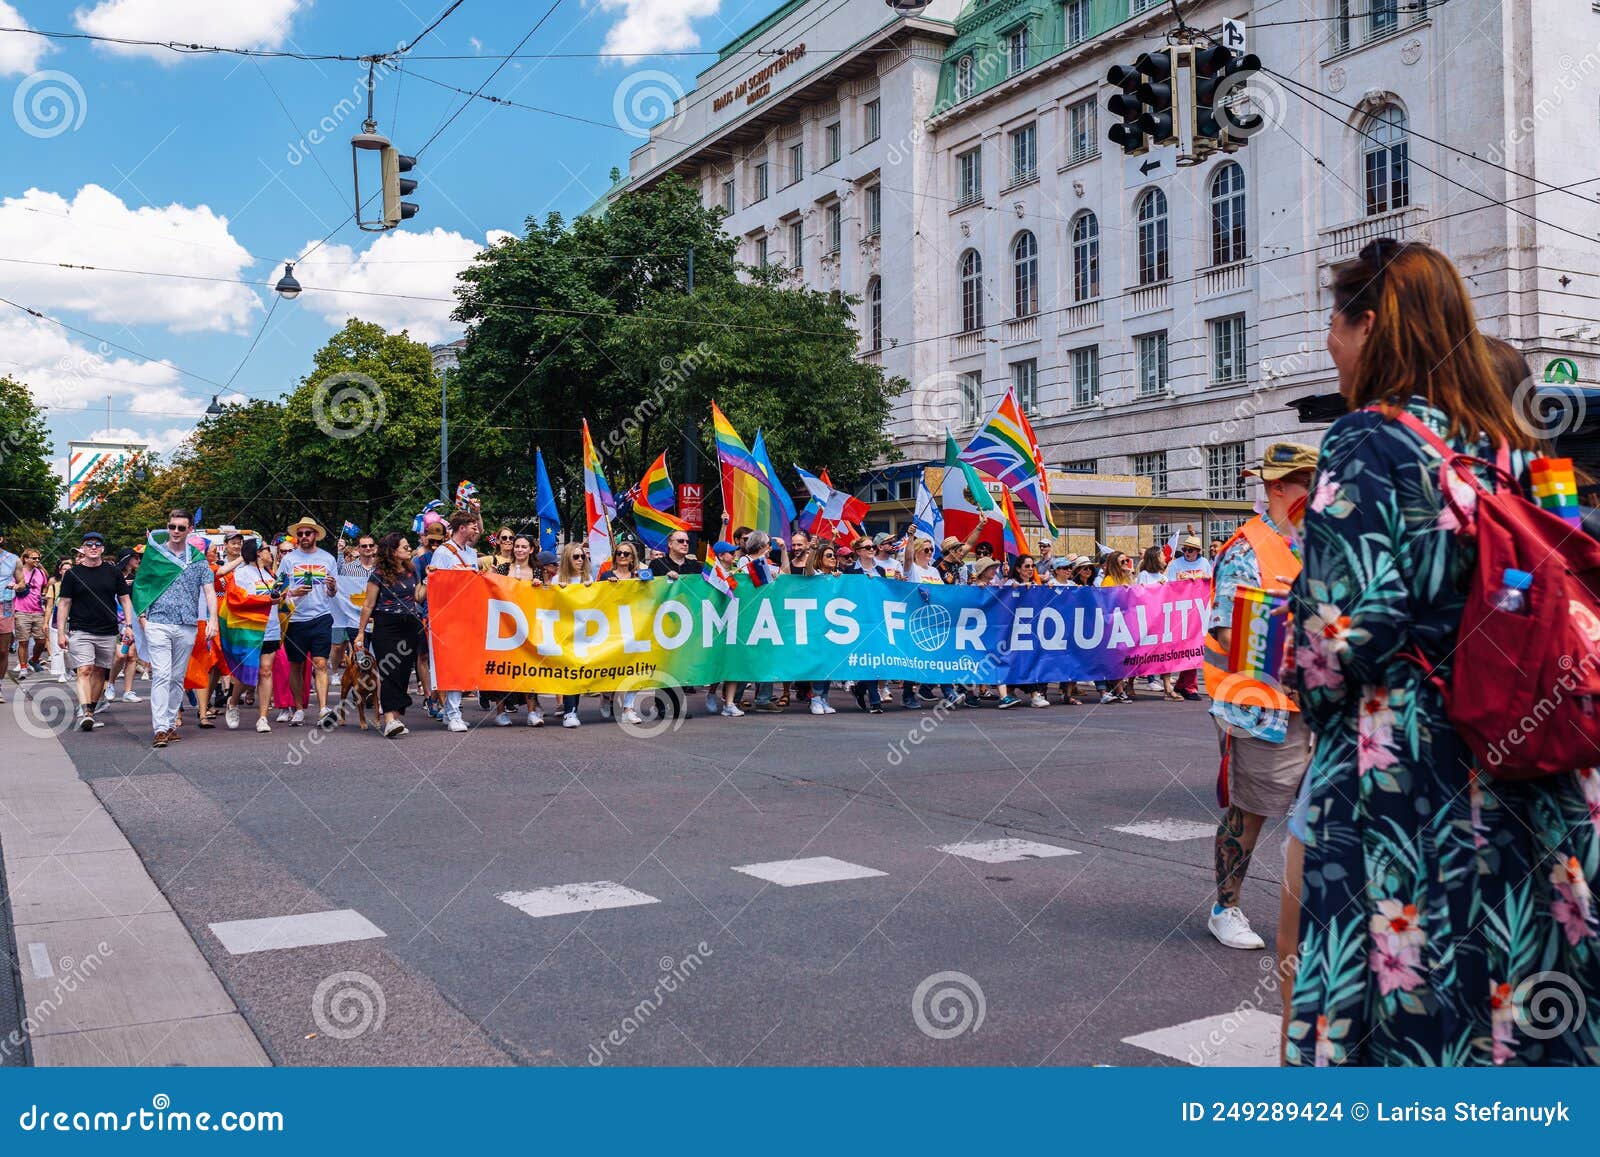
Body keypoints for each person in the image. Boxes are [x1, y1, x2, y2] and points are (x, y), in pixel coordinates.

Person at [1285, 239, 1600, 1066]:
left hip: (1407, 762)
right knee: (1514, 975)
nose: (1329, 342)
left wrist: (1305, 680)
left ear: (1371, 324)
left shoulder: (1369, 439)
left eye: (1335, 322)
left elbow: (1338, 633)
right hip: (1522, 751)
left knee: (1405, 980)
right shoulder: (1507, 446)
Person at [1201, 442, 1320, 952]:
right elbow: (1230, 632)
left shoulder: (1319, 543)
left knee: (1324, 813)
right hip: (1262, 708)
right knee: (1250, 811)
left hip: (1322, 705)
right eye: (1308, 482)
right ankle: (1225, 908)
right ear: (1276, 487)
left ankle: (1314, 913)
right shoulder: (1247, 548)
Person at [135, 510, 219, 748]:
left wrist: (213, 619)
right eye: (172, 527)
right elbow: (141, 585)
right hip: (158, 622)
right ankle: (160, 728)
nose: (175, 532)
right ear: (167, 526)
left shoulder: (198, 560)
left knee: (177, 677)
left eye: (181, 528)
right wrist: (143, 617)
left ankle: (171, 723)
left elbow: (209, 591)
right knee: (162, 674)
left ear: (190, 530)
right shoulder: (156, 554)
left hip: (187, 624)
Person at [55, 531, 135, 731]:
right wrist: (60, 632)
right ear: (83, 548)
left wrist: (129, 626)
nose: (93, 547)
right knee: (84, 669)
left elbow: (125, 599)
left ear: (102, 548)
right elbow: (64, 603)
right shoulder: (72, 574)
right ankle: (85, 712)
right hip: (80, 630)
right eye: (89, 544)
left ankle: (90, 710)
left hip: (107, 631)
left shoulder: (113, 572)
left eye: (97, 544)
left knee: (100, 671)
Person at [356, 533, 426, 738]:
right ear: (393, 551)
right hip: (386, 625)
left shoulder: (411, 570)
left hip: (410, 624)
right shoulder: (378, 574)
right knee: (389, 671)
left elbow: (417, 597)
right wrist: (360, 633)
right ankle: (388, 719)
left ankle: (395, 719)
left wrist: (428, 581)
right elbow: (368, 605)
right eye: (404, 547)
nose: (409, 549)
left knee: (403, 673)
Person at [277, 517, 340, 728]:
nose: (303, 537)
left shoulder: (328, 558)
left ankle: (323, 708)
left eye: (307, 533)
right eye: (300, 534)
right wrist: (293, 592)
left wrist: (331, 586)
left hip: (321, 616)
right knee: (296, 665)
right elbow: (277, 589)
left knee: (320, 663)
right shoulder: (288, 560)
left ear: (315, 535)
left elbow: (333, 593)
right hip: (295, 619)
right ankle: (298, 709)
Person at [215, 536, 280, 732]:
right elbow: (237, 600)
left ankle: (263, 718)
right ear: (258, 552)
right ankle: (233, 702)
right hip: (249, 630)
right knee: (247, 673)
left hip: (271, 628)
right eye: (267, 549)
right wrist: (267, 601)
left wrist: (293, 594)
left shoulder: (271, 574)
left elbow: (279, 599)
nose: (270, 553)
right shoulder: (241, 574)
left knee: (266, 671)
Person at [427, 510, 482, 733]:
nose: (476, 530)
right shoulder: (443, 552)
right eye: (472, 526)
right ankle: (452, 714)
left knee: (461, 666)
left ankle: (453, 711)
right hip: (449, 617)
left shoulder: (471, 553)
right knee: (452, 666)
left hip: (468, 615)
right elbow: (435, 584)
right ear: (462, 528)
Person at [1164, 535, 1212, 701]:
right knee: (1183, 648)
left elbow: (1211, 583)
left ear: (1197, 551)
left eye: (1190, 550)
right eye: (1184, 549)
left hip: (1198, 611)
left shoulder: (1204, 563)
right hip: (1180, 610)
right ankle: (1184, 685)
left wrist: (1206, 579)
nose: (1186, 553)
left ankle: (1188, 686)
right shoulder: (1176, 564)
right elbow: (1169, 584)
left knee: (1194, 647)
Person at [997, 556, 1048, 709]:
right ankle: (1031, 695)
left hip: (1028, 632)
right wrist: (1014, 588)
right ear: (1018, 569)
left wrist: (1049, 588)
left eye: (1032, 566)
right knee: (1015, 661)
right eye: (1027, 566)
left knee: (1027, 660)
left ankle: (1028, 693)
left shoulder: (1036, 586)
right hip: (1010, 632)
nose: (1031, 569)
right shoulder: (1010, 584)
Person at [552, 541, 591, 727]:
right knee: (568, 671)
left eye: (583, 556)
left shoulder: (588, 578)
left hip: (583, 633)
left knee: (577, 671)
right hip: (564, 632)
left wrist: (592, 588)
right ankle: (569, 712)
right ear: (567, 558)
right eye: (576, 556)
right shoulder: (557, 579)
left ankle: (572, 711)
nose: (580, 560)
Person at [332, 532, 377, 677]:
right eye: (364, 546)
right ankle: (362, 687)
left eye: (370, 545)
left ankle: (375, 687)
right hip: (354, 620)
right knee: (361, 658)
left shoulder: (380, 569)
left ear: (374, 547)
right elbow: (337, 578)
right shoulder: (348, 568)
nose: (368, 548)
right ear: (358, 548)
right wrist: (340, 552)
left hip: (377, 620)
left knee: (377, 658)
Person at [1096, 551, 1135, 703]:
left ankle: (1119, 688)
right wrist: (1120, 590)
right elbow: (1107, 602)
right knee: (1116, 657)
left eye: (1126, 560)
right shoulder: (1108, 580)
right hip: (1113, 624)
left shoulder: (1126, 578)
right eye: (1122, 561)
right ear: (1114, 564)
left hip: (1126, 623)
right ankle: (1119, 690)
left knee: (1123, 657)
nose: (1125, 564)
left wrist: (1130, 578)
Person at [12, 546, 48, 675]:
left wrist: (44, 595)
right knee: (23, 641)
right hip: (21, 611)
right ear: (26, 559)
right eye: (34, 558)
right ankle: (23, 667)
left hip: (37, 610)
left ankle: (34, 660)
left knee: (41, 640)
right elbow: (12, 586)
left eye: (38, 558)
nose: (37, 560)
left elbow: (45, 586)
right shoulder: (18, 572)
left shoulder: (40, 573)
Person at [43, 557, 73, 683]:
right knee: (57, 647)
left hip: (72, 620)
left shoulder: (76, 585)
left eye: (69, 569)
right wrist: (45, 622)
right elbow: (49, 606)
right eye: (64, 569)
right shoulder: (54, 587)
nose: (66, 571)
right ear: (60, 571)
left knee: (69, 648)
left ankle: (70, 668)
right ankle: (60, 672)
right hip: (56, 619)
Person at [0, 532, 17, 692]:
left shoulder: (13, 559)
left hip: (5, 604)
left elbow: (22, 582)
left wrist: (17, 586)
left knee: (3, 650)